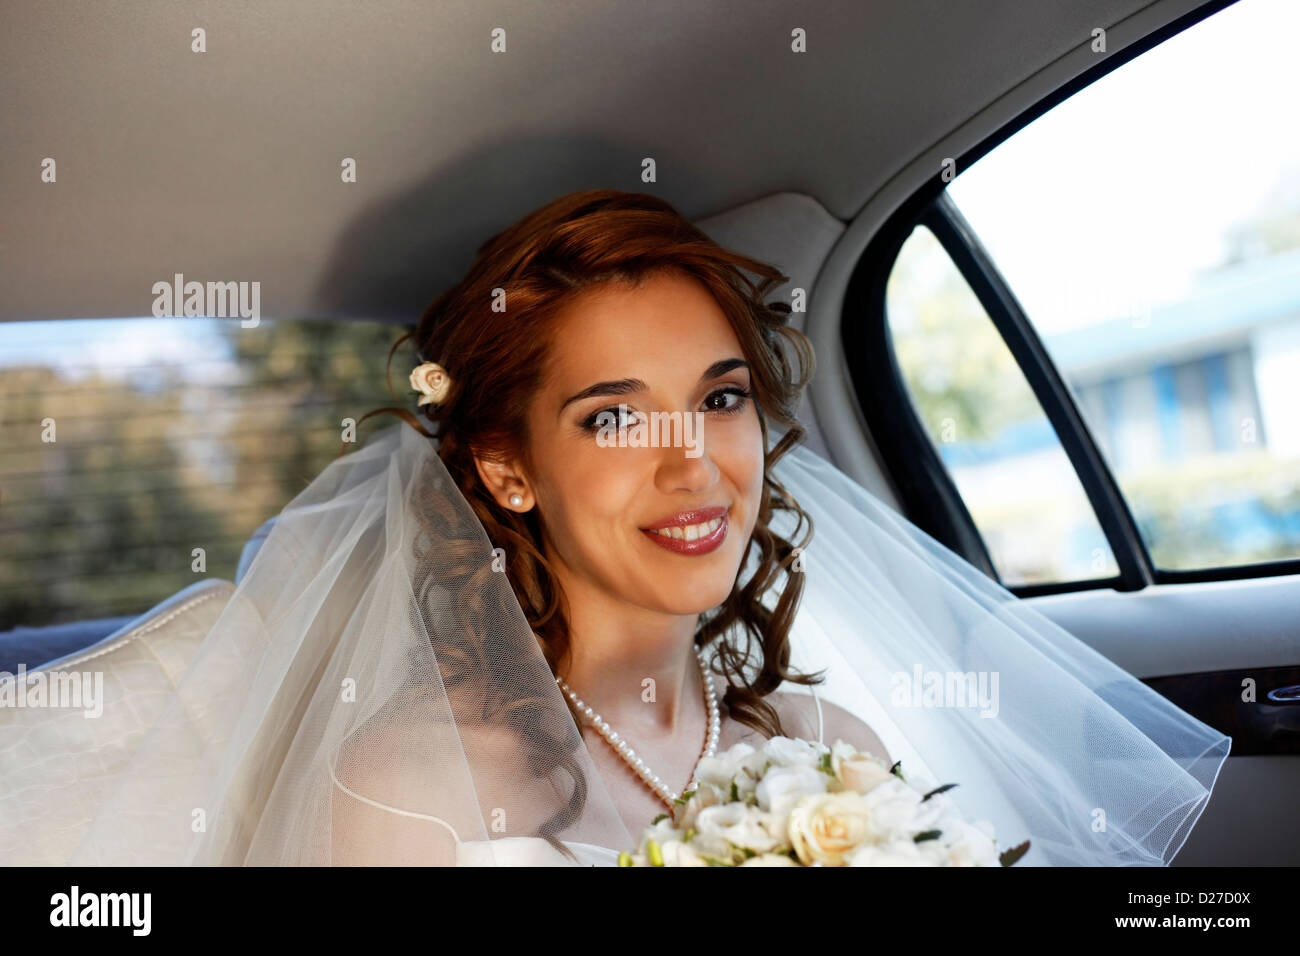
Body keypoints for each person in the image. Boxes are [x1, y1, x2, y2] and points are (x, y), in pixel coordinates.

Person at [12, 190, 1230, 866]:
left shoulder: (831, 736)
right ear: (506, 467)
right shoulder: (410, 788)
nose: (692, 462)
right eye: (613, 417)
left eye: (719, 397)